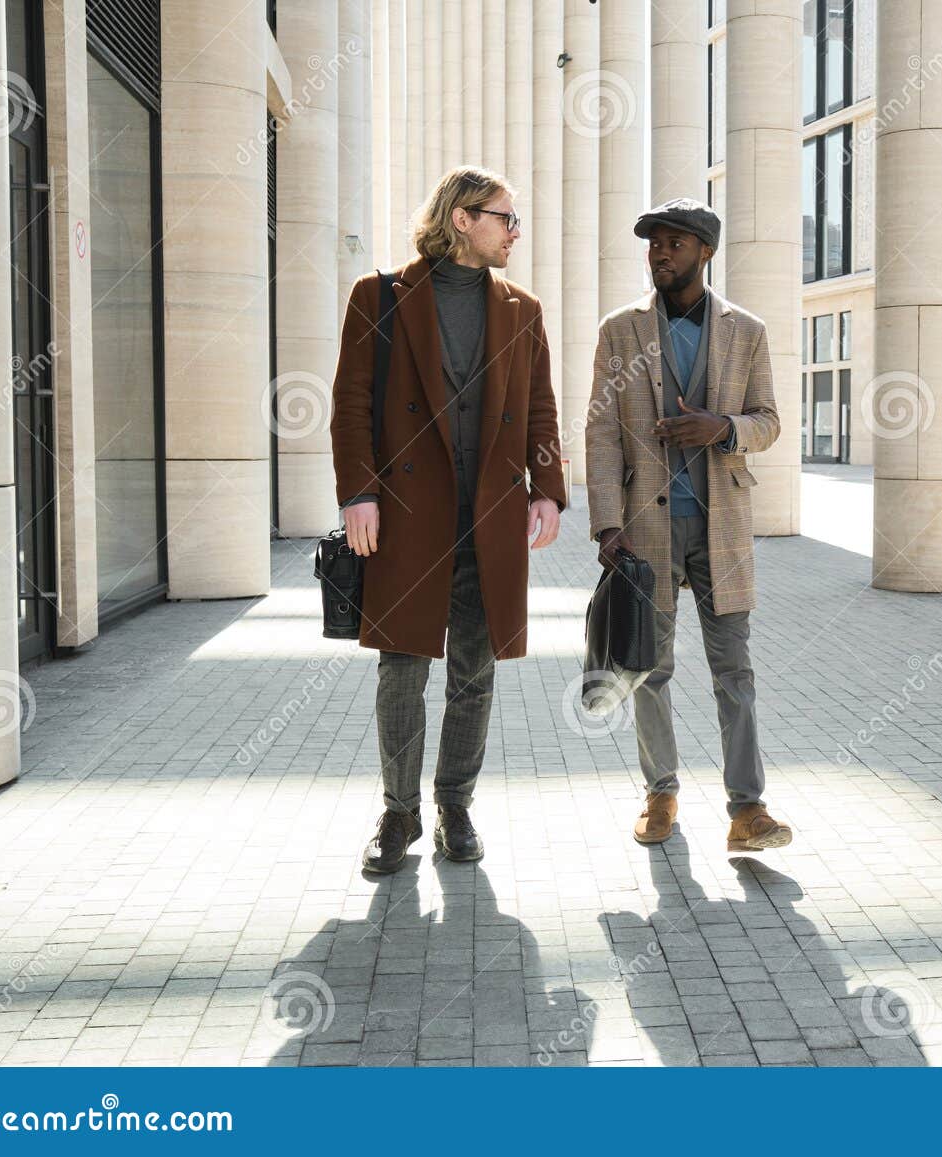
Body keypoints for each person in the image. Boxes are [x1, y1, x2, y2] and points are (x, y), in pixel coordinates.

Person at [329, 166, 565, 873]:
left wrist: (547, 488)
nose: (514, 231)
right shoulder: (382, 297)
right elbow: (351, 404)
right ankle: (398, 813)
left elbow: (540, 409)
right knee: (402, 668)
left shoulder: (522, 309)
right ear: (462, 218)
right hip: (407, 515)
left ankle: (453, 805)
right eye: (505, 218)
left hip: (488, 518)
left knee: (475, 671)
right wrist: (358, 493)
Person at [584, 197, 792, 852]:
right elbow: (599, 433)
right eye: (653, 243)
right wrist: (605, 527)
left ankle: (747, 810)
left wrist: (721, 428)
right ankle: (661, 792)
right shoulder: (620, 331)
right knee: (650, 668)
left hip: (721, 529)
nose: (660, 253)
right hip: (645, 530)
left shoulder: (746, 331)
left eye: (675, 242)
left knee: (735, 670)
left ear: (705, 251)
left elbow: (769, 421)